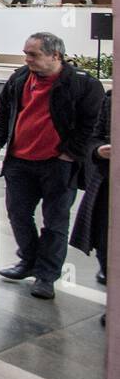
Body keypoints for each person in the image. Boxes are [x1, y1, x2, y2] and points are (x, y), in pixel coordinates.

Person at [0, 32, 105, 299]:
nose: (27, 59)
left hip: (58, 165)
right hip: (20, 162)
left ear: (55, 55)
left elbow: (92, 124)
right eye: (26, 54)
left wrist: (70, 154)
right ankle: (28, 260)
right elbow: (4, 109)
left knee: (55, 222)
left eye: (33, 54)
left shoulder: (83, 84)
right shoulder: (20, 78)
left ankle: (46, 275)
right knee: (18, 215)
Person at [69, 90, 111, 286]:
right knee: (104, 226)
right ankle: (106, 264)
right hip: (109, 176)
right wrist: (98, 150)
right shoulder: (111, 100)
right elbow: (95, 136)